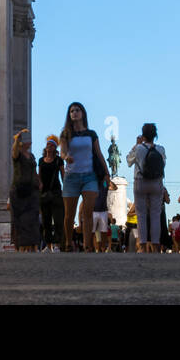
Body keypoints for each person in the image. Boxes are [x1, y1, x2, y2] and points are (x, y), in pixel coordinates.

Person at [59, 102, 111, 252]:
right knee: (69, 214)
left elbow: (99, 154)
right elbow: (62, 151)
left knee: (88, 213)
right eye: (71, 111)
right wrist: (66, 157)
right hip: (71, 177)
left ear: (83, 113)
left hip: (90, 176)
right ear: (69, 115)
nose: (74, 113)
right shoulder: (66, 134)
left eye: (77, 110)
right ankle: (68, 242)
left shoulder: (91, 134)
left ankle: (88, 245)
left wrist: (107, 173)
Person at [126, 122, 168, 253]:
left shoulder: (139, 148)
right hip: (156, 182)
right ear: (155, 135)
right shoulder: (160, 149)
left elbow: (128, 160)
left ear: (143, 135)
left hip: (140, 181)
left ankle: (143, 245)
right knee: (156, 214)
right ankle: (156, 245)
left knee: (141, 214)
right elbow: (163, 164)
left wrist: (137, 144)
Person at [10, 130, 41, 252]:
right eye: (27, 139)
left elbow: (34, 171)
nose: (30, 141)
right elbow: (14, 152)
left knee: (33, 217)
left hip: (32, 190)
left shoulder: (31, 156)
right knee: (19, 218)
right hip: (19, 189)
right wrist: (17, 139)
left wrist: (39, 182)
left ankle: (33, 244)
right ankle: (20, 245)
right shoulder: (17, 155)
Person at [38, 135, 65, 252]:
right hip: (44, 194)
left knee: (58, 219)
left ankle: (57, 245)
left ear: (55, 148)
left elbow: (63, 176)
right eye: (48, 145)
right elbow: (39, 176)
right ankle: (48, 245)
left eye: (52, 145)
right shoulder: (41, 160)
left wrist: (66, 190)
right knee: (46, 220)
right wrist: (38, 190)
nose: (49, 147)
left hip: (56, 192)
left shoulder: (59, 160)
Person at [91, 175, 117, 252]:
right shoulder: (92, 183)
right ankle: (94, 249)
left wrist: (107, 178)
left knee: (103, 232)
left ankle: (102, 249)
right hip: (94, 210)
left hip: (103, 210)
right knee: (93, 233)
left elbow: (114, 188)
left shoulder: (104, 184)